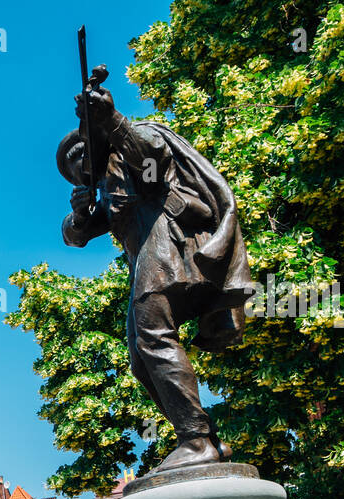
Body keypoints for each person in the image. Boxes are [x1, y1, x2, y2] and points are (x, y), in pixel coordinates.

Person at [58, 78, 253, 472]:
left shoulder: (134, 142)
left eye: (81, 156)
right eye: (76, 172)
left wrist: (110, 118)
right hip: (150, 262)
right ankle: (206, 439)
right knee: (140, 358)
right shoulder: (110, 188)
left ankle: (195, 440)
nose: (81, 169)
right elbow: (75, 235)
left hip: (169, 250)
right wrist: (79, 215)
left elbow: (154, 159)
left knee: (153, 338)